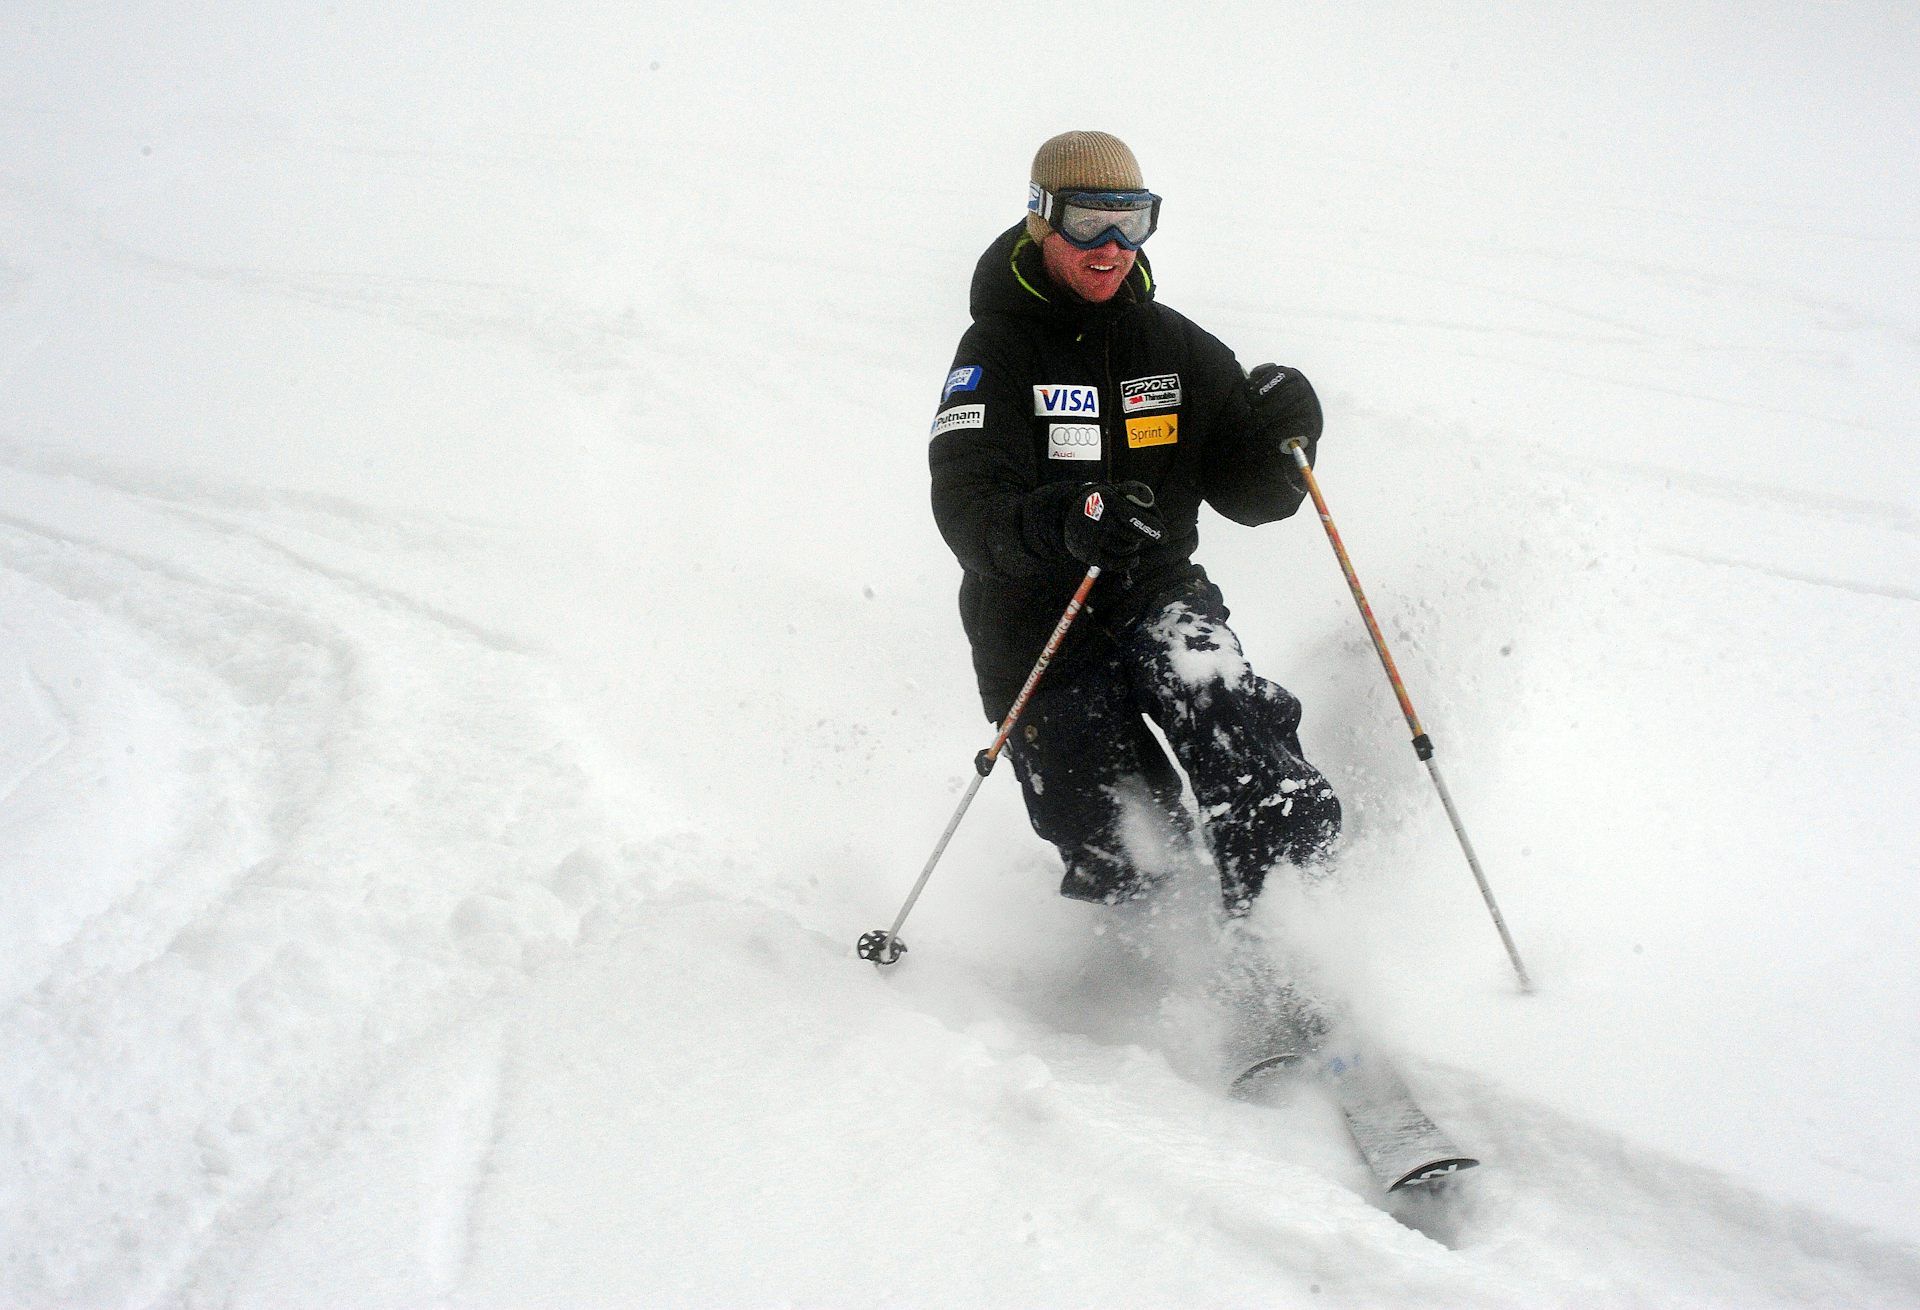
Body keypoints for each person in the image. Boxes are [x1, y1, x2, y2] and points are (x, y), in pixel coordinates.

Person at [928, 129, 1342, 929]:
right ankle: (1168, 973)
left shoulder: (1174, 345)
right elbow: (967, 510)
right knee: (1122, 837)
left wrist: (1286, 446)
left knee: (1223, 706)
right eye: (1088, 222)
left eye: (1135, 222)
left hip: (1156, 590)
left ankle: (1291, 937)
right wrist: (1072, 516)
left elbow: (1250, 497)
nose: (1112, 247)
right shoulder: (994, 354)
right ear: (1042, 220)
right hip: (1034, 623)